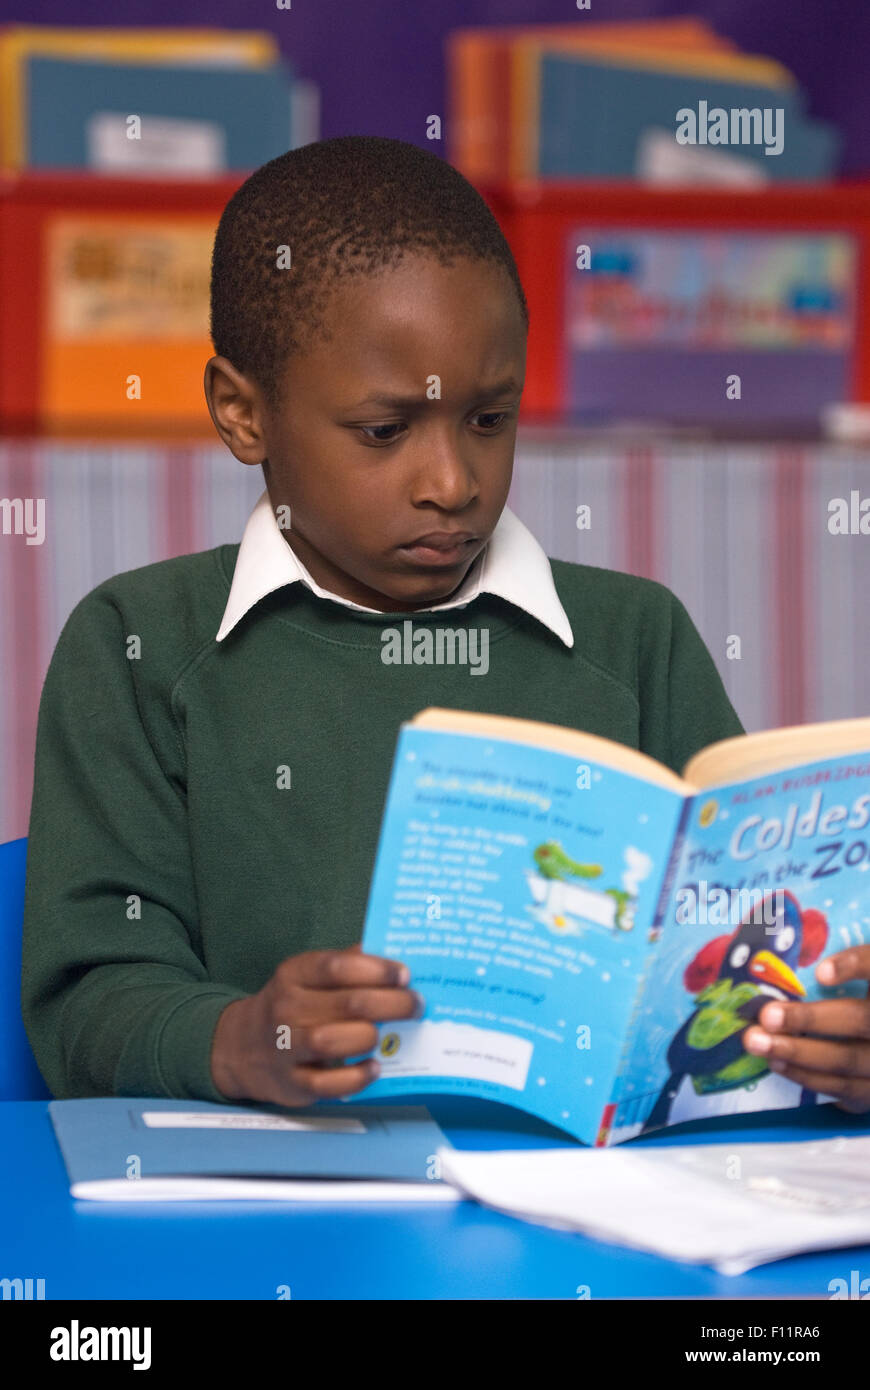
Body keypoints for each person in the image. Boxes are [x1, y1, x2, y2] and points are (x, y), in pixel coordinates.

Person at [31, 135, 857, 1117]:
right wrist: (237, 1040)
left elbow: (750, 945)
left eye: (488, 419)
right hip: (285, 1229)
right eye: (384, 432)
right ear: (243, 414)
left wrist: (829, 1032)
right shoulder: (141, 646)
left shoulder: (635, 640)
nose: (452, 484)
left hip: (601, 1225)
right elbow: (88, 998)